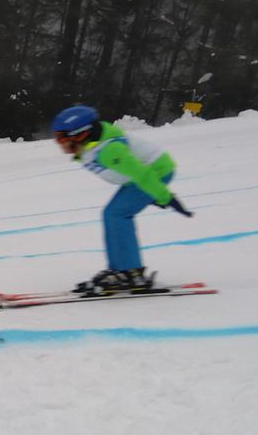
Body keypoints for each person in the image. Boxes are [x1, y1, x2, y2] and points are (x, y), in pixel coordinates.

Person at [50, 104, 193, 294]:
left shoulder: (109, 152)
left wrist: (165, 197)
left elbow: (142, 174)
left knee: (117, 215)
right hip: (141, 177)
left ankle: (132, 273)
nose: (58, 142)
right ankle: (119, 271)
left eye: (61, 137)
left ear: (80, 134)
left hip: (154, 174)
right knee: (112, 214)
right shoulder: (90, 144)